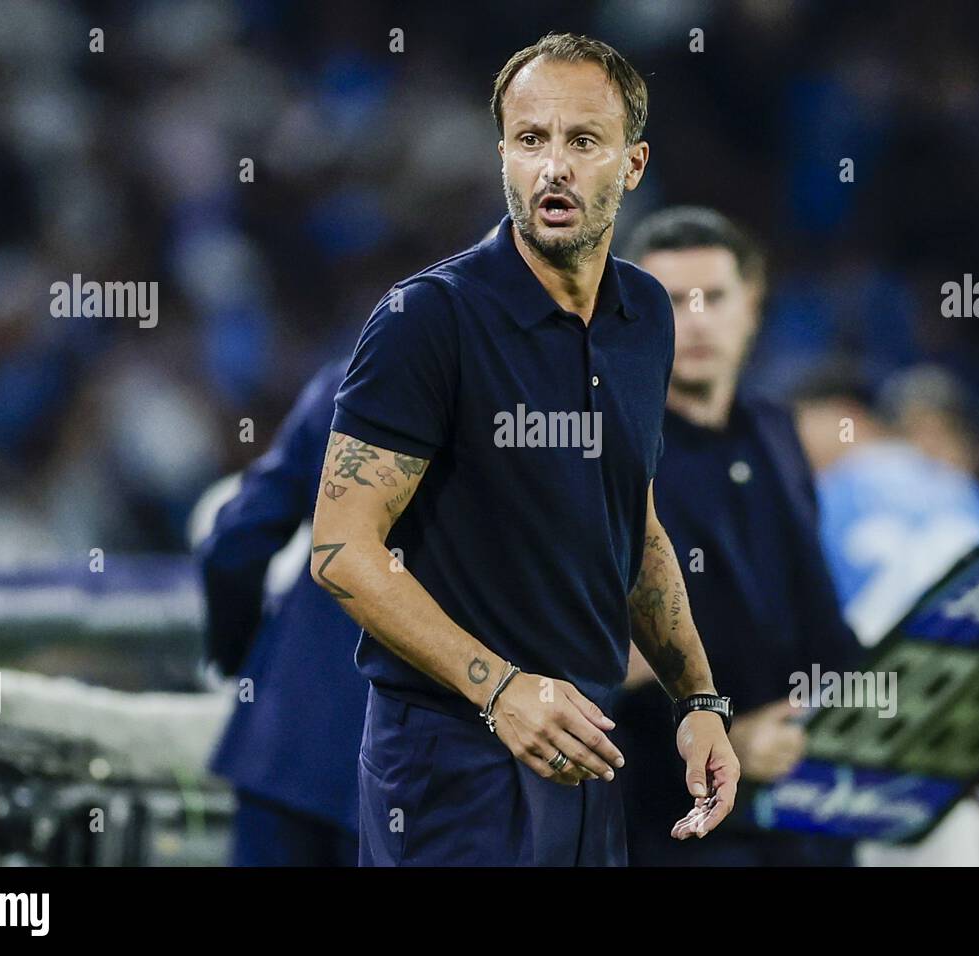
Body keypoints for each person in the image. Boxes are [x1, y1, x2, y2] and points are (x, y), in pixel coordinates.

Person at [311, 33, 740, 866]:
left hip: (585, 746)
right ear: (503, 153)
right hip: (448, 757)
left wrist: (699, 699)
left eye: (583, 141)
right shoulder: (430, 320)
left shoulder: (646, 316)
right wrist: (499, 691)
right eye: (531, 140)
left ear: (634, 164)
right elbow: (339, 548)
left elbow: (636, 526)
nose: (554, 167)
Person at [616, 207, 864, 866]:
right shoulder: (609, 450)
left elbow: (818, 620)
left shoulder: (776, 431)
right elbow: (597, 658)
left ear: (752, 304)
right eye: (672, 301)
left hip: (804, 817)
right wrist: (725, 734)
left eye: (715, 298)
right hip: (670, 826)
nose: (696, 320)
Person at [791, 364, 979, 866]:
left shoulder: (824, 491)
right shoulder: (967, 493)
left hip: (855, 742)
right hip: (969, 736)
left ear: (848, 418)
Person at [198, 359, 368, 866]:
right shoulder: (535, 411)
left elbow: (235, 543)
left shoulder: (350, 380)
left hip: (287, 748)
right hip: (428, 782)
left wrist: (242, 660)